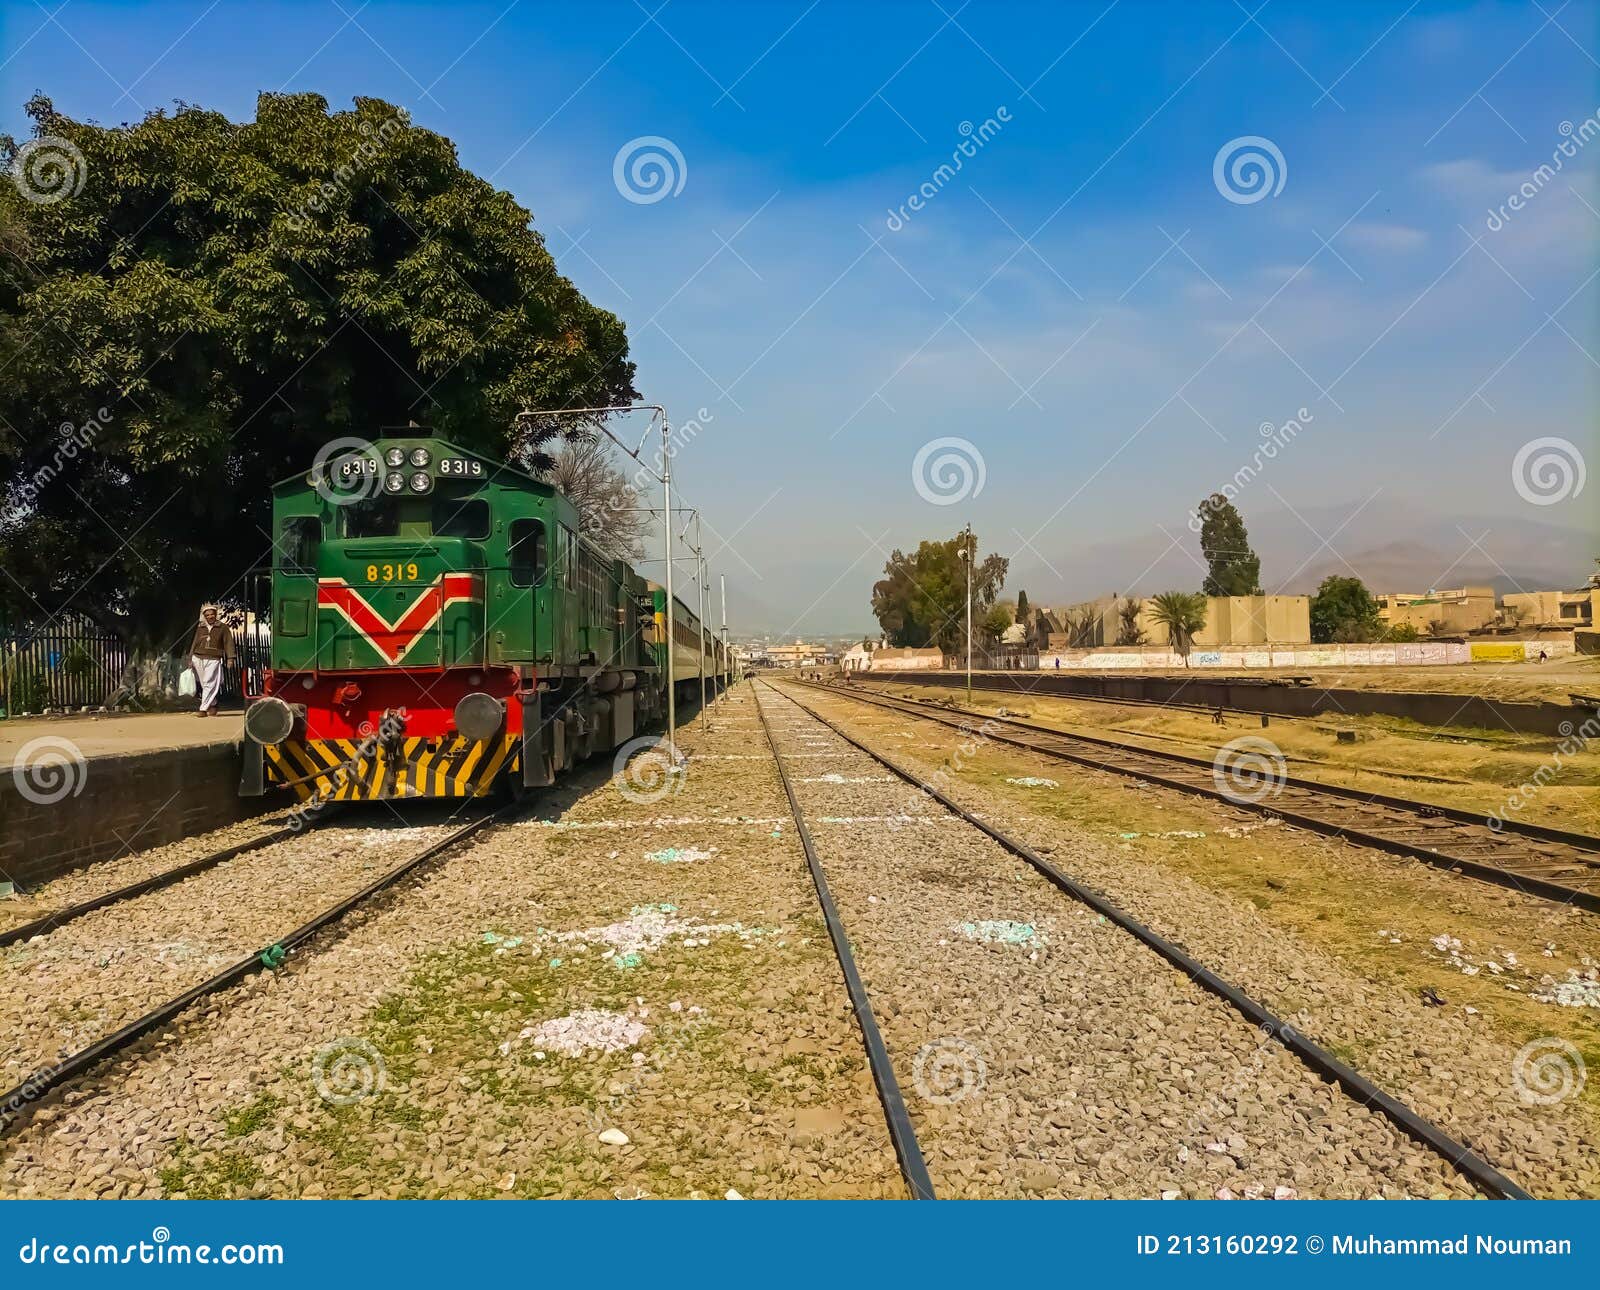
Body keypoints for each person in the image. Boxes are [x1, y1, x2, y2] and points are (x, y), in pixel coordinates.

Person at [190, 605, 235, 716]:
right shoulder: (200, 627)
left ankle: (203, 709)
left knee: (209, 682)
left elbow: (228, 643)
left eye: (212, 614)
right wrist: (190, 657)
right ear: (205, 616)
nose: (210, 616)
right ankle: (213, 704)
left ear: (215, 615)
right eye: (208, 615)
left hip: (213, 658)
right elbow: (194, 642)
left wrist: (231, 658)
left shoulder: (222, 627)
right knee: (204, 683)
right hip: (198, 657)